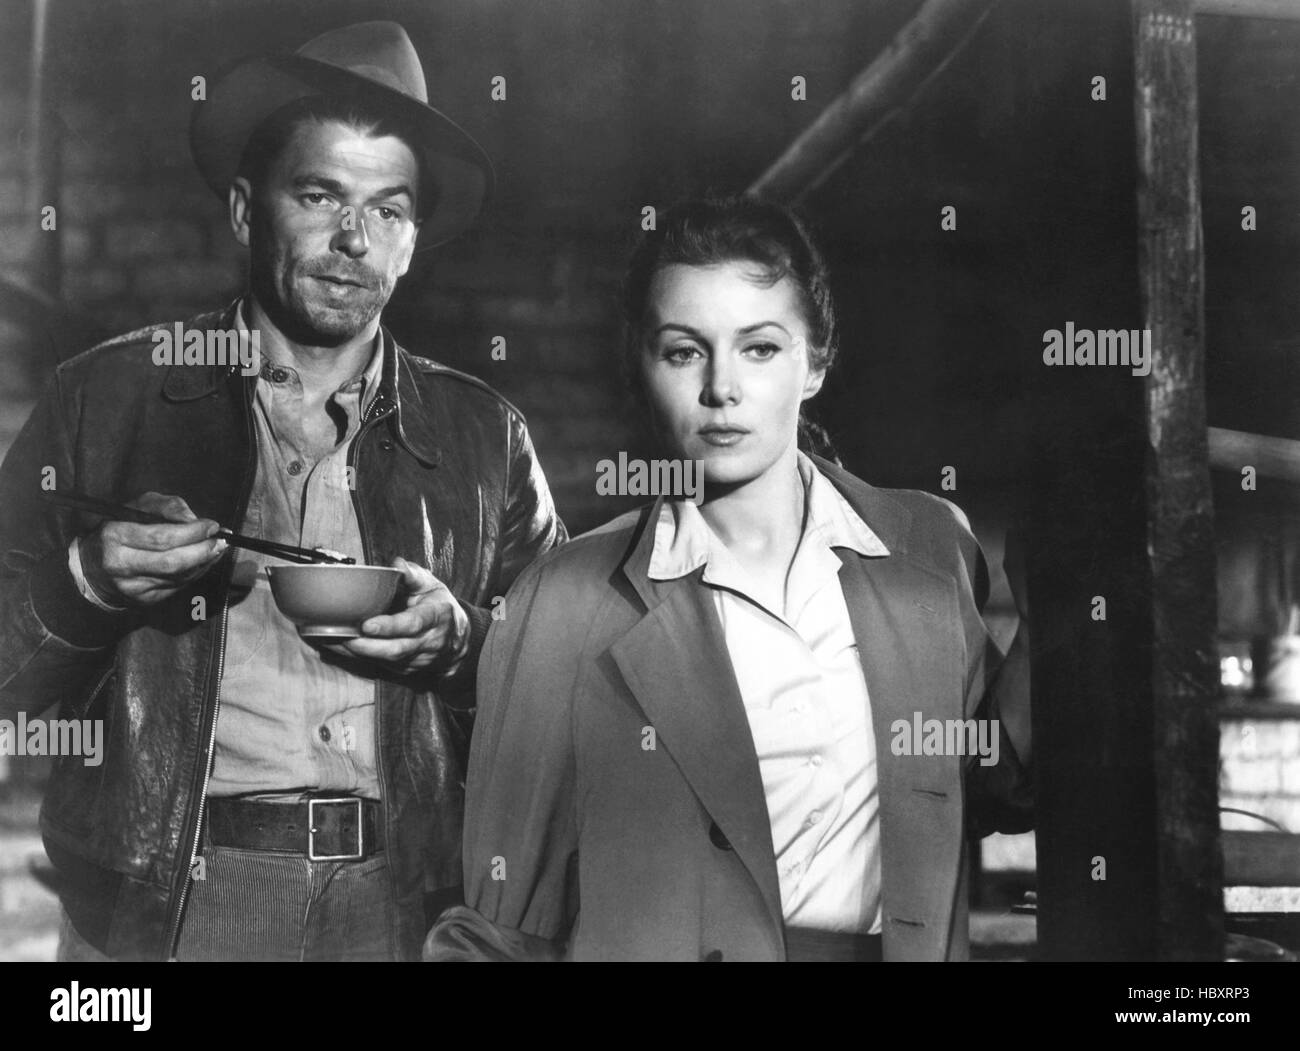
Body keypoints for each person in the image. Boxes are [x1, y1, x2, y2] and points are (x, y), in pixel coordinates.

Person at [0, 21, 564, 961]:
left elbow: (574, 704)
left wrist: (464, 643)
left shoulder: (484, 437)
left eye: (389, 211)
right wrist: (87, 581)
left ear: (412, 242)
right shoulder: (104, 400)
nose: (354, 240)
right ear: (243, 210)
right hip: (173, 903)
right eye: (319, 195)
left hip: (408, 906)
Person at [427, 196, 1032, 962]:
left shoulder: (926, 551)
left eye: (760, 348)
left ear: (816, 362)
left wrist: (1060, 598)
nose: (722, 388)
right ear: (642, 367)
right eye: (685, 352)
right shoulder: (566, 601)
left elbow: (992, 781)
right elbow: (498, 930)